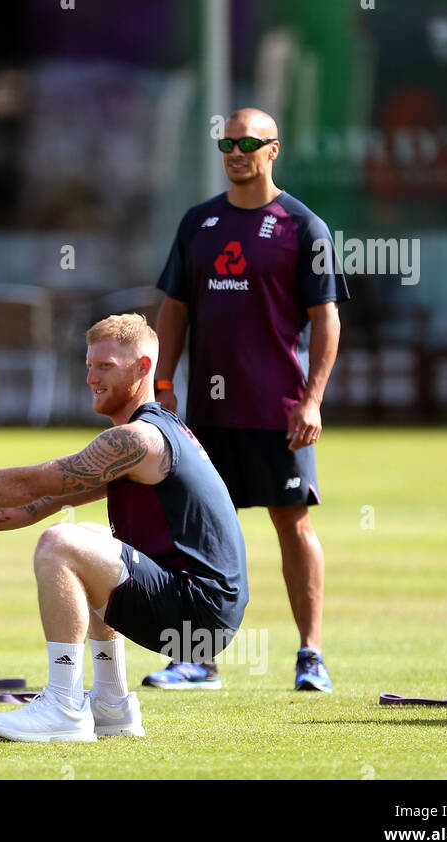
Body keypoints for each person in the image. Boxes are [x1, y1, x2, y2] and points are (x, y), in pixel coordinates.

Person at [0, 315, 247, 742]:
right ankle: (112, 704)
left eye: (105, 366)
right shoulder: (148, 436)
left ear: (142, 367)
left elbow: (32, 482)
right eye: (88, 365)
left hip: (198, 612)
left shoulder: (136, 441)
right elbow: (41, 503)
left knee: (60, 544)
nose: (90, 378)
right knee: (94, 540)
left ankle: (63, 705)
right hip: (202, 613)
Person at [146, 107, 349, 691]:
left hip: (277, 410)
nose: (236, 151)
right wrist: (164, 385)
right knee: (202, 533)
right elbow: (174, 309)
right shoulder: (198, 223)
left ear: (273, 150)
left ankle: (310, 655)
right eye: (227, 142)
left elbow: (326, 321)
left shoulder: (303, 227)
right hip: (209, 413)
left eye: (248, 142)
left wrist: (312, 400)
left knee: (293, 523)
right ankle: (198, 658)